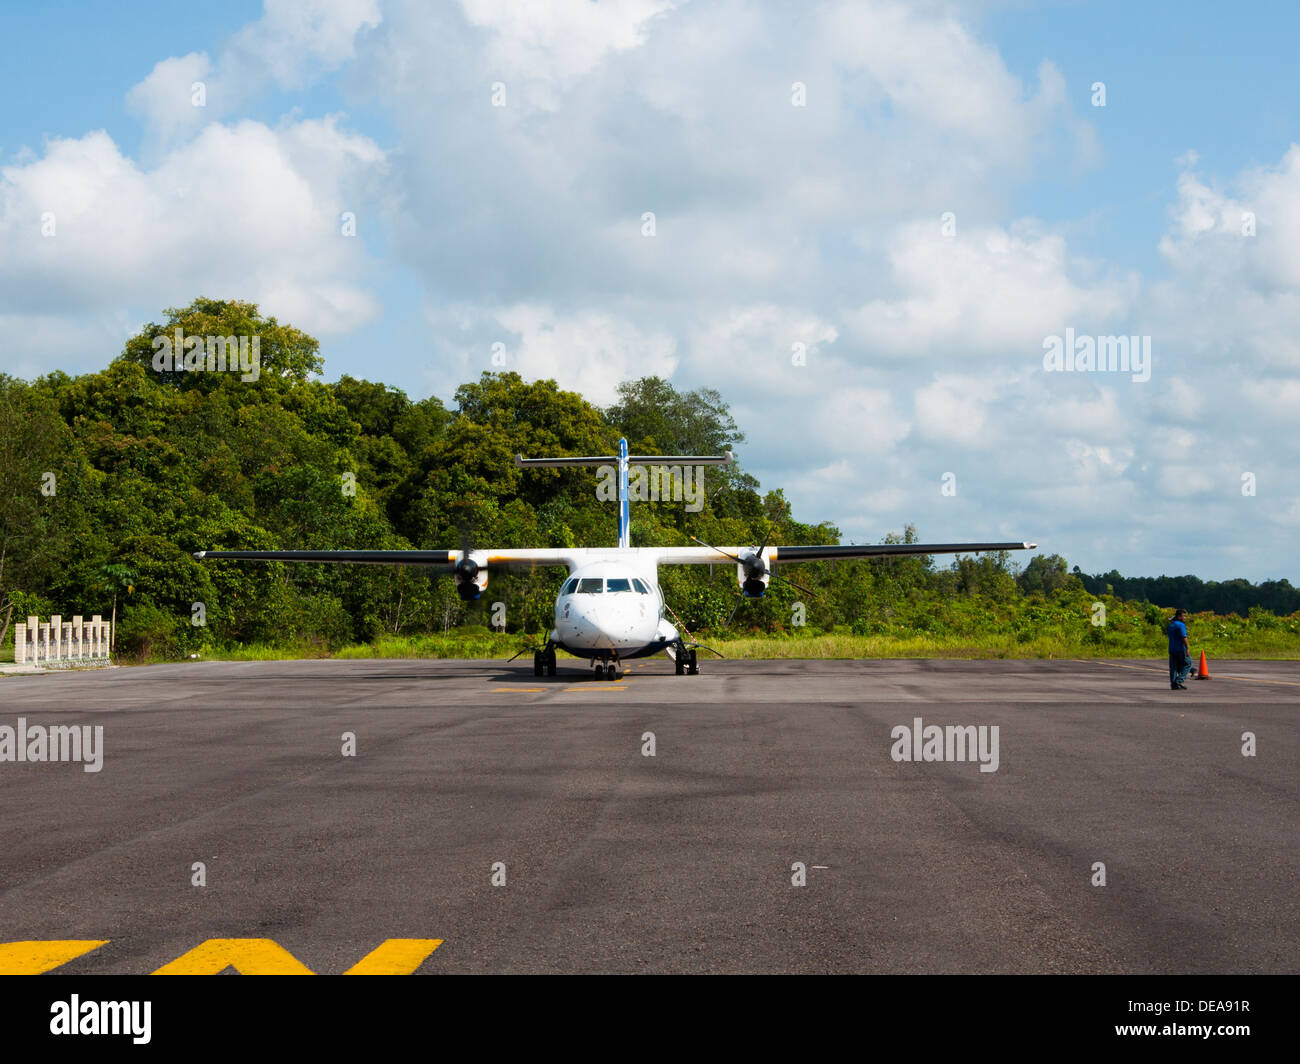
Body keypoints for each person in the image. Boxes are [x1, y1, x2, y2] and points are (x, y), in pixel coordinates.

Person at [1167, 608, 1192, 689]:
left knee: (1173, 667)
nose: (1185, 618)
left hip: (1171, 648)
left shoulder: (1170, 625)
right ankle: (1180, 680)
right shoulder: (1181, 625)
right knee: (1188, 664)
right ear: (1178, 616)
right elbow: (1183, 637)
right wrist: (1187, 648)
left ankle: (1173, 685)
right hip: (1181, 649)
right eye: (1183, 616)